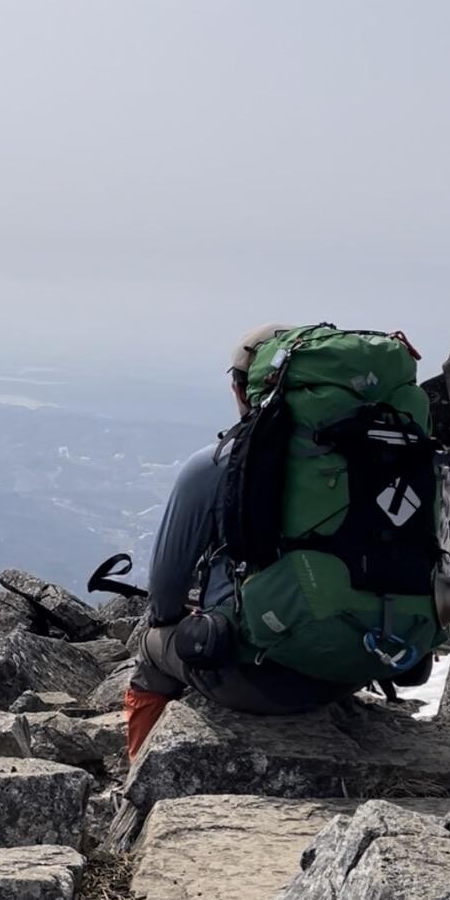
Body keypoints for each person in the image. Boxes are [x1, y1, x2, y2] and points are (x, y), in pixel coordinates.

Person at [122, 323, 363, 758]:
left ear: (242, 389)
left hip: (260, 680)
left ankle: (137, 773)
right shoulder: (372, 459)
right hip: (356, 668)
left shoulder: (217, 464)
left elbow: (163, 600)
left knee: (152, 646)